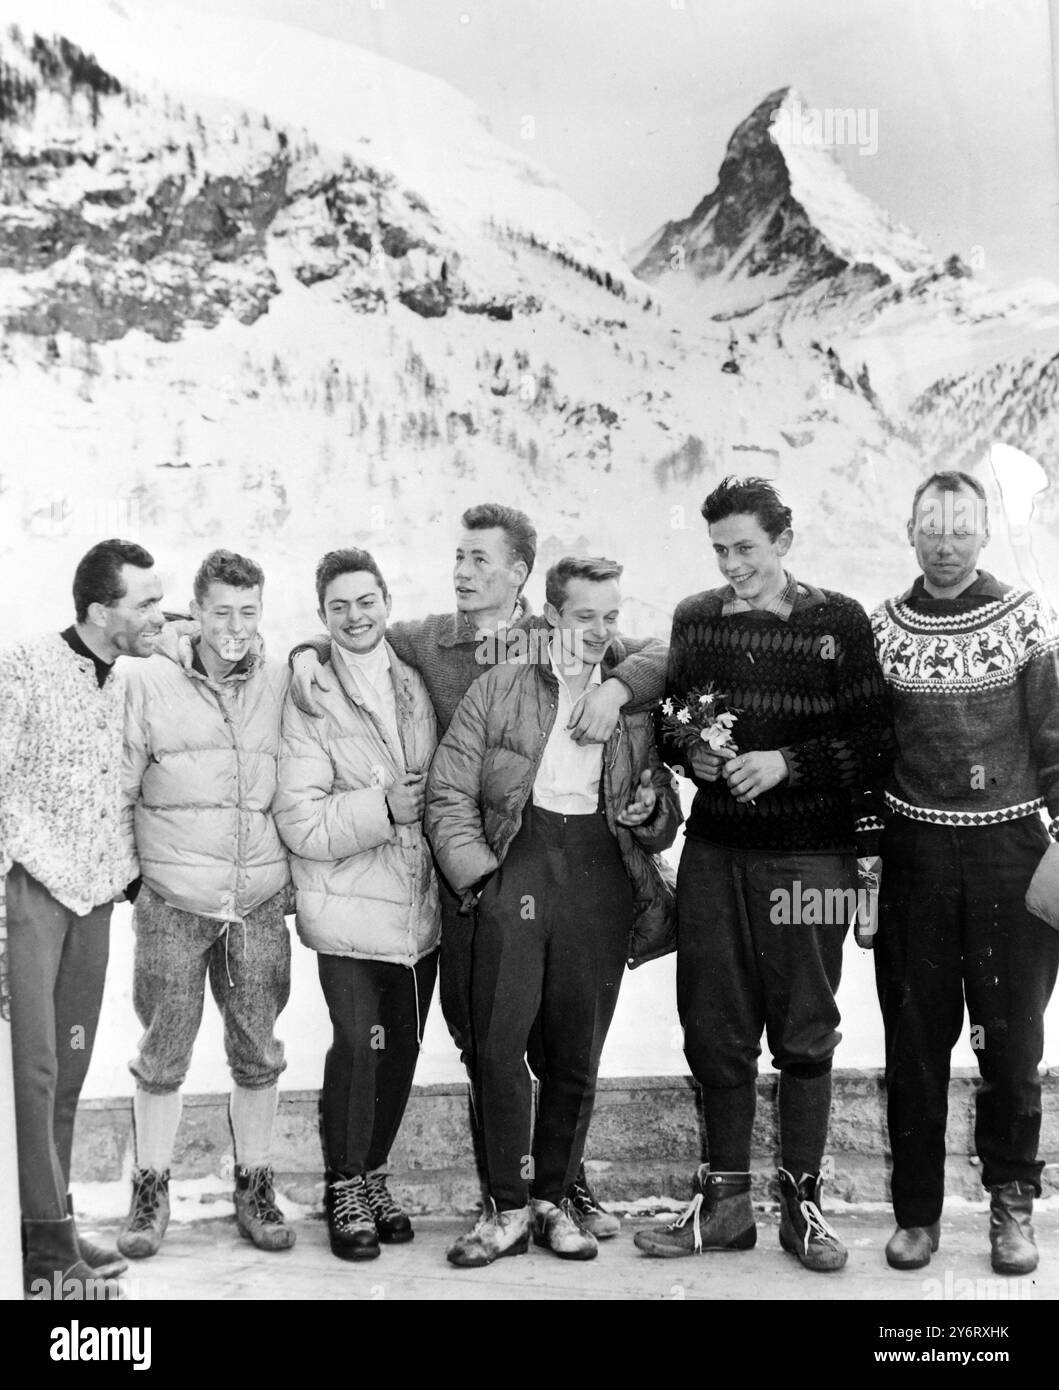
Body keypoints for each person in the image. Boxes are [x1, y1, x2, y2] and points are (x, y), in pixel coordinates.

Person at [287, 503, 668, 1235]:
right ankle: (509, 1193)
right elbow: (349, 630)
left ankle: (561, 1181)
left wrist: (618, 688)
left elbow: (658, 654)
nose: (461, 573)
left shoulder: (561, 633)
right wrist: (307, 648)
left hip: (558, 857)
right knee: (483, 1029)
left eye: (479, 561)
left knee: (559, 1033)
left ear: (520, 574)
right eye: (458, 559)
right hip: (468, 870)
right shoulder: (428, 638)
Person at [635, 477, 892, 1271]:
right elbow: (673, 725)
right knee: (714, 1028)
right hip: (715, 855)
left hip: (811, 857)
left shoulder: (837, 621)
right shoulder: (696, 619)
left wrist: (787, 762)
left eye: (746, 548)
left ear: (783, 540)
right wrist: (693, 755)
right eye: (719, 551)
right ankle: (724, 1209)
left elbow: (875, 742)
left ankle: (803, 1207)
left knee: (804, 1028)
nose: (733, 565)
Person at [426, 556, 681, 1267]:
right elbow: (447, 792)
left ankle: (553, 1199)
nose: (598, 631)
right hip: (522, 860)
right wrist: (482, 878)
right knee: (499, 1045)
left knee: (578, 1048)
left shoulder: (628, 695)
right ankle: (505, 1206)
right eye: (582, 616)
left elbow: (662, 815)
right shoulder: (501, 685)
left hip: (600, 872)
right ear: (549, 616)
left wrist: (649, 808)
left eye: (610, 616)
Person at [871, 470, 1059, 1275]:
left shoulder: (1023, 619)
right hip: (914, 860)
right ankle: (915, 1217)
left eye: (959, 529)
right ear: (909, 532)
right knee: (913, 1045)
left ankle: (1011, 1211)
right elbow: (869, 750)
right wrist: (868, 848)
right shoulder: (881, 628)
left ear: (983, 533)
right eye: (930, 528)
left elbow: (1056, 735)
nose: (944, 544)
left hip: (1007, 858)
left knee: (1011, 1046)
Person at [118, 549, 295, 1259]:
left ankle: (254, 1183)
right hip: (172, 900)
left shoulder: (280, 679)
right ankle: (149, 1186)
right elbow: (119, 786)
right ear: (196, 612)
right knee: (162, 1052)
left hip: (253, 901)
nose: (235, 626)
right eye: (220, 611)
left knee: (258, 1051)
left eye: (248, 612)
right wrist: (137, 882)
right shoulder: (148, 682)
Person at [0, 539, 163, 1297]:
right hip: (32, 891)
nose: (160, 615)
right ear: (102, 611)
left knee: (67, 1068)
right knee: (31, 1072)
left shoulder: (121, 676)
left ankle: (55, 1222)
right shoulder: (24, 665)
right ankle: (40, 1254)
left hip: (95, 895)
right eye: (147, 603)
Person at [274, 549, 440, 1261]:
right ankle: (343, 1184)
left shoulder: (415, 676)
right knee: (357, 1045)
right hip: (343, 910)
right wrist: (383, 807)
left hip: (416, 909)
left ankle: (373, 1174)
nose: (354, 616)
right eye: (338, 606)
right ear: (321, 615)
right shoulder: (310, 694)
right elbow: (300, 822)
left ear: (386, 602)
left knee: (400, 1049)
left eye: (365, 600)